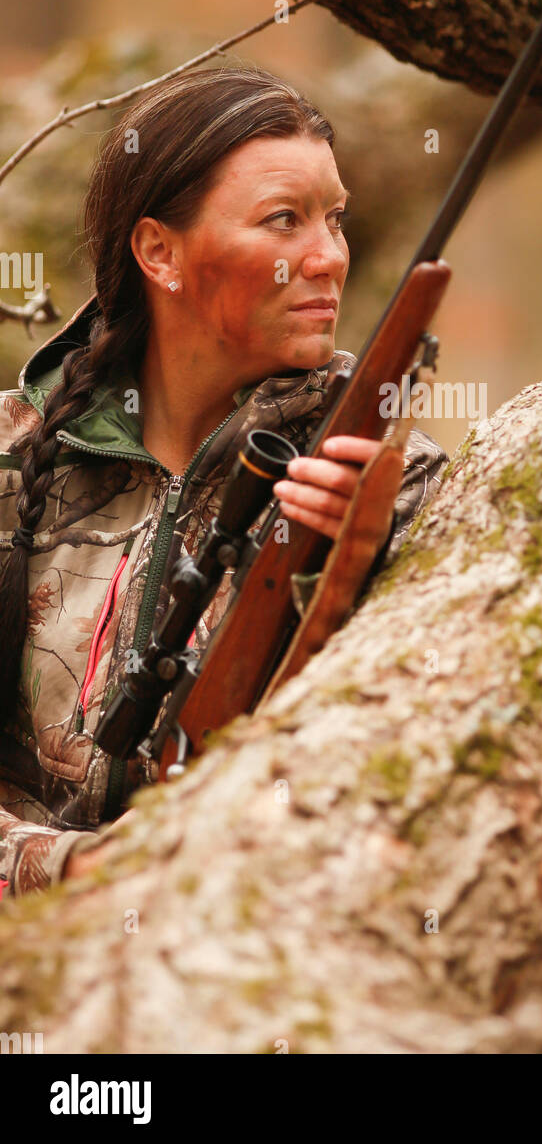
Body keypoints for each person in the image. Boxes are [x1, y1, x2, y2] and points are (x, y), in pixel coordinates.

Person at [0, 65, 447, 898]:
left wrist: (343, 580)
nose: (329, 258)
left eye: (336, 220)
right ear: (159, 252)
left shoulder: (394, 480)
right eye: (285, 221)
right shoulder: (11, 454)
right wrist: (73, 870)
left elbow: (410, 788)